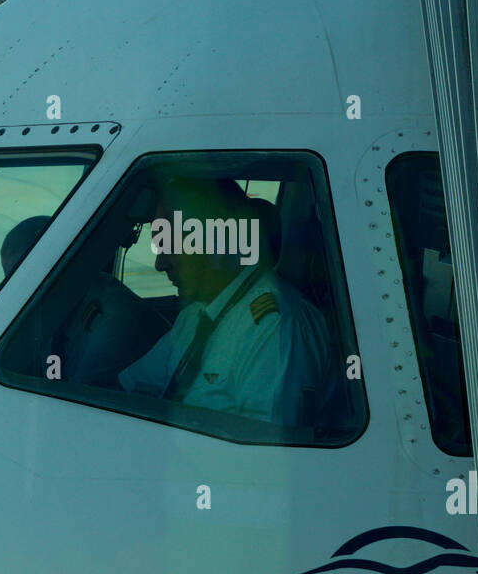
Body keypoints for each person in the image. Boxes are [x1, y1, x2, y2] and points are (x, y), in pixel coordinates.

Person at [117, 176, 330, 426]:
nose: (159, 264)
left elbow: (267, 444)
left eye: (170, 246)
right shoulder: (195, 315)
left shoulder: (274, 325)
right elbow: (130, 387)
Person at [1, 215, 164, 385]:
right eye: (10, 281)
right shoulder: (57, 307)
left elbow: (75, 396)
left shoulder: (115, 322)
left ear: (59, 264)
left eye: (24, 280)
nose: (16, 292)